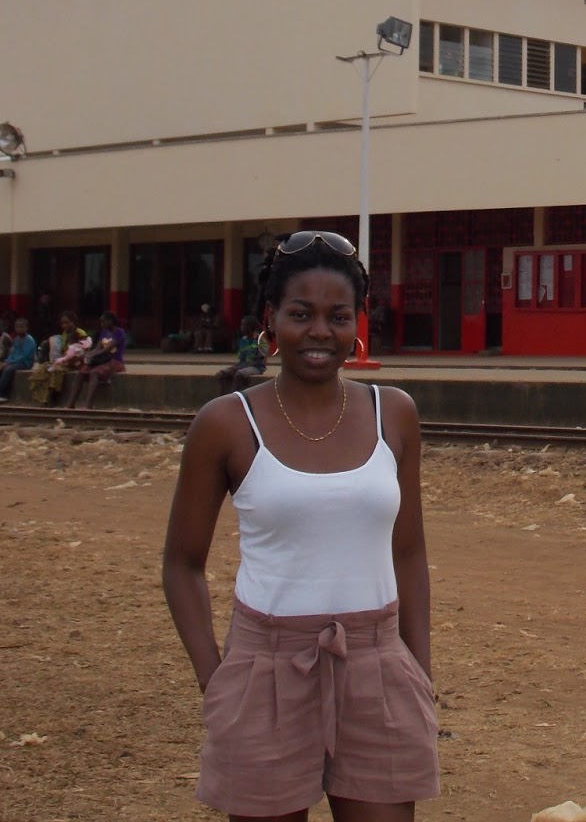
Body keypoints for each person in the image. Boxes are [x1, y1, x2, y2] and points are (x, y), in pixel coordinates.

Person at [163, 229, 439, 820]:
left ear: (357, 322)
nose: (320, 332)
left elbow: (409, 552)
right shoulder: (225, 424)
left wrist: (417, 669)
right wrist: (215, 679)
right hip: (264, 670)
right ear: (271, 319)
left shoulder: (394, 413)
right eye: (301, 314)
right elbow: (182, 564)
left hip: (377, 665)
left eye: (338, 316)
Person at [64, 310, 126, 409]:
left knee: (94, 373)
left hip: (115, 361)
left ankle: (88, 405)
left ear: (110, 321)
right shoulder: (104, 332)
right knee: (81, 372)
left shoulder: (119, 332)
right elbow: (98, 348)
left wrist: (93, 355)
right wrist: (88, 354)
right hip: (102, 360)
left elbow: (107, 348)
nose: (101, 324)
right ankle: (70, 404)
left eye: (103, 321)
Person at [30, 311, 90, 405]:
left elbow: (83, 349)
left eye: (67, 323)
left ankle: (54, 396)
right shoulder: (64, 334)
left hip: (76, 361)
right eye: (62, 323)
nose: (64, 325)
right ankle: (43, 397)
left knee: (56, 370)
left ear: (73, 322)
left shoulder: (80, 333)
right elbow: (63, 350)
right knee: (44, 369)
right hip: (65, 359)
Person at [0, 318, 36, 404]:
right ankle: (2, 395)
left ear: (26, 328)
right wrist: (6, 362)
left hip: (25, 363)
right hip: (14, 362)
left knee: (8, 370)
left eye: (22, 327)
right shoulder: (16, 339)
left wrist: (9, 363)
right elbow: (13, 353)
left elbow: (24, 356)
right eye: (17, 327)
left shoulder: (29, 340)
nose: (19, 329)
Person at [215, 315, 267, 396]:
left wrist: (240, 367)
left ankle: (233, 396)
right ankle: (220, 397)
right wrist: (236, 367)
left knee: (239, 374)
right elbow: (241, 359)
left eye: (243, 325)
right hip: (243, 365)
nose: (241, 327)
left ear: (250, 327)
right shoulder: (243, 340)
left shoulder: (260, 340)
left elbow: (260, 361)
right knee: (222, 374)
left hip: (257, 367)